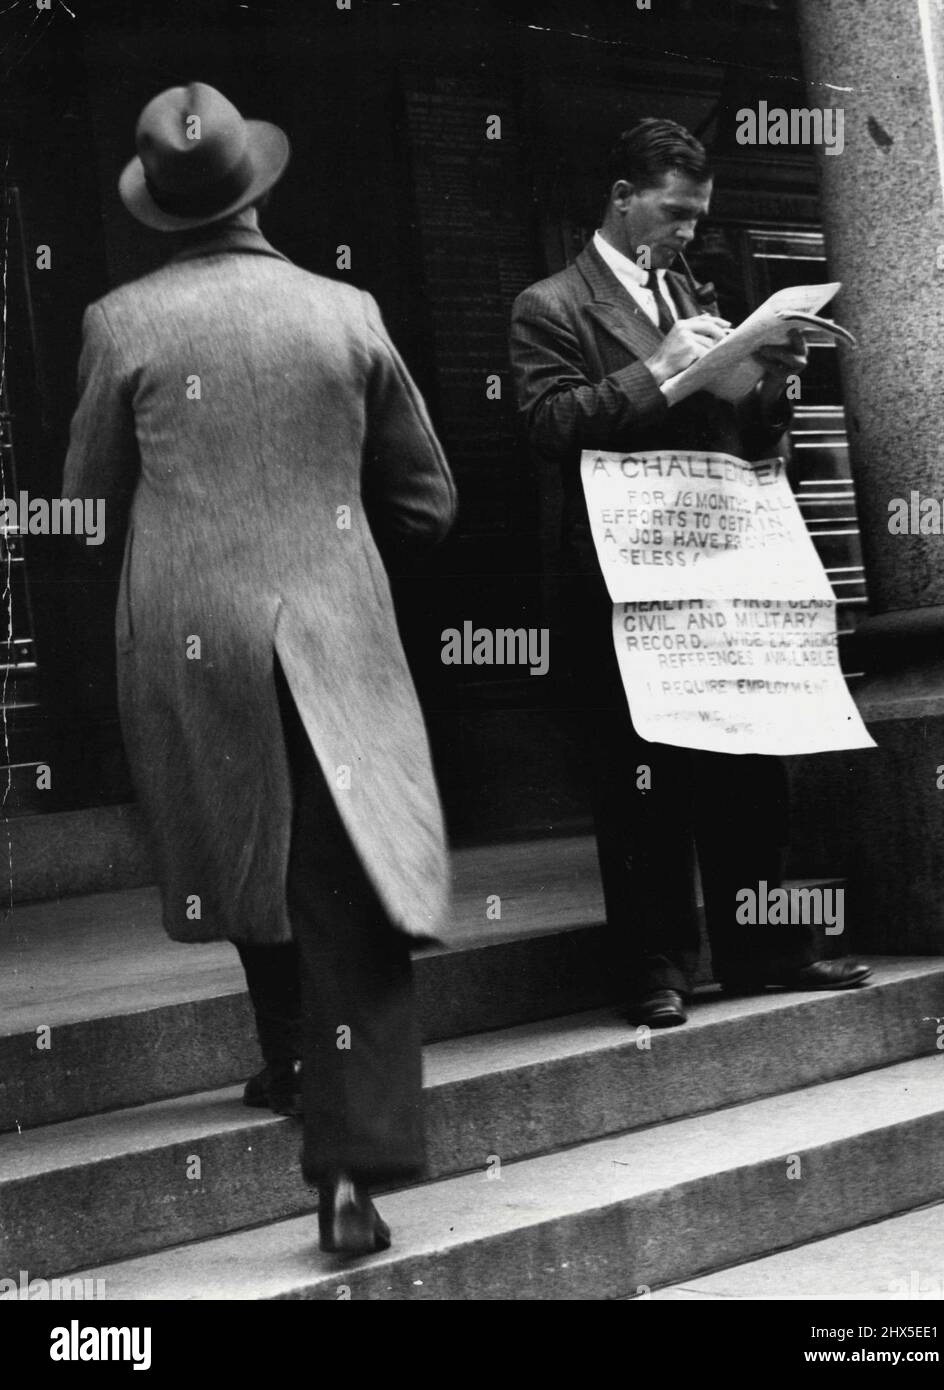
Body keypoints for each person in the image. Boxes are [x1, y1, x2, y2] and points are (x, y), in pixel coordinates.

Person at [63, 82, 457, 1255]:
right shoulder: (343, 311)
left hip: (189, 633)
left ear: (160, 210)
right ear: (260, 188)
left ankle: (287, 1055)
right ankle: (347, 1161)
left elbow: (85, 513)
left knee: (244, 838)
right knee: (349, 876)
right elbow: (427, 501)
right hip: (331, 627)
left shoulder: (117, 324)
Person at [510, 117, 870, 1029]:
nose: (685, 232)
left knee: (752, 759)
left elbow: (748, 437)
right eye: (672, 213)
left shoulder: (696, 290)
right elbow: (550, 427)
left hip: (720, 557)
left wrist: (771, 380)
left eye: (697, 217)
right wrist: (665, 369)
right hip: (623, 574)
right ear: (621, 198)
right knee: (642, 778)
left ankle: (764, 950)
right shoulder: (549, 304)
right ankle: (655, 970)